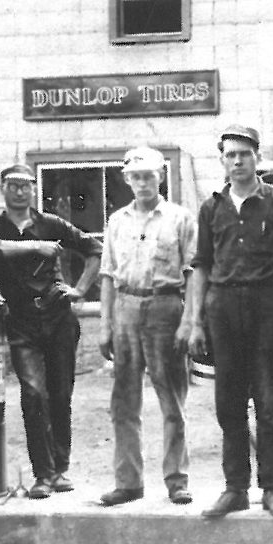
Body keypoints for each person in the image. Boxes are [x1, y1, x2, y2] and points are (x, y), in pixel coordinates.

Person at [186, 124, 273, 519]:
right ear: (222, 161)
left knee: (268, 403)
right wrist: (196, 321)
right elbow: (201, 266)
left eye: (244, 154)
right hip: (223, 310)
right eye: (230, 155)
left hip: (267, 310)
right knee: (229, 404)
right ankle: (235, 488)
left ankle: (270, 488)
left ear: (257, 157)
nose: (237, 161)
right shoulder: (211, 208)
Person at [0, 163, 102, 500]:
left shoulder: (51, 223)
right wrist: (35, 247)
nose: (20, 191)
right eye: (13, 185)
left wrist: (79, 290)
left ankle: (60, 469)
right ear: (2, 188)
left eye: (26, 186)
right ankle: (42, 475)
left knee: (60, 393)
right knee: (33, 394)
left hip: (58, 316)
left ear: (33, 190)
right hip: (20, 320)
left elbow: (94, 250)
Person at [96, 147, 198, 507]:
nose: (142, 183)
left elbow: (193, 271)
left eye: (149, 175)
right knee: (123, 400)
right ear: (126, 180)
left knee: (172, 398)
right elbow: (107, 274)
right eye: (135, 176)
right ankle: (128, 481)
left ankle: (177, 479)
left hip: (165, 307)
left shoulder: (180, 218)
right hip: (125, 306)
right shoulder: (117, 221)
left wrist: (190, 319)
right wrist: (105, 324)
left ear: (161, 177)